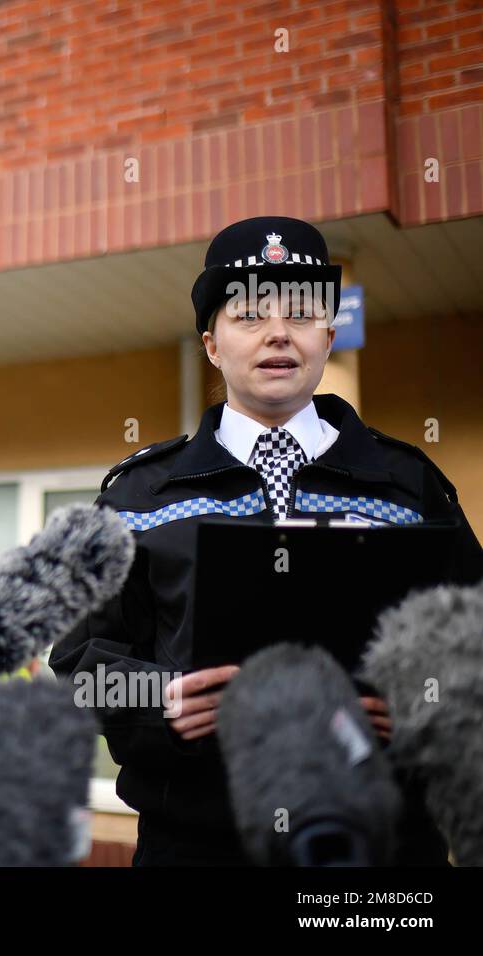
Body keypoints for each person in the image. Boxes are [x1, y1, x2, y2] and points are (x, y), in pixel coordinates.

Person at [48, 215, 483, 866]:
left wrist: (421, 702)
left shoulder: (409, 486)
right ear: (212, 344)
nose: (279, 331)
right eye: (249, 313)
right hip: (195, 849)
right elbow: (78, 669)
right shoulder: (138, 496)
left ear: (328, 336)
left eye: (301, 312)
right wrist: (154, 699)